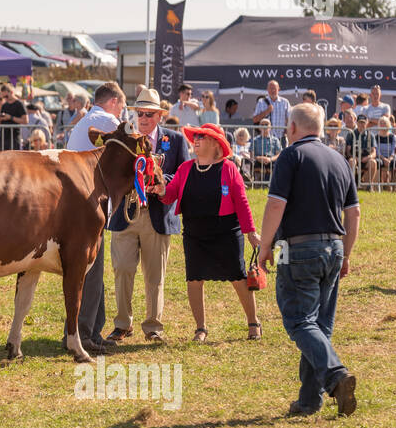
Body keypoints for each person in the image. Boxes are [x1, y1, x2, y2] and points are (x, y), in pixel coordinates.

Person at [259, 102, 360, 417]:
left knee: (300, 321)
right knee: (318, 326)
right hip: (334, 247)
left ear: (291, 128)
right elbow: (354, 213)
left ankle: (336, 375)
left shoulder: (290, 156)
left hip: (298, 249)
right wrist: (347, 252)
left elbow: (276, 206)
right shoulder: (339, 159)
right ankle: (309, 401)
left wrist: (264, 249)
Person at [150, 123, 262, 342]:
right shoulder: (185, 169)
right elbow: (169, 194)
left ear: (215, 143)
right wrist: (160, 189)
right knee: (194, 279)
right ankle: (200, 328)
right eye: (196, 137)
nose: (196, 140)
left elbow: (242, 202)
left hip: (227, 232)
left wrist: (251, 233)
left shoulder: (229, 168)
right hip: (194, 233)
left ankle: (253, 322)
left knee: (238, 278)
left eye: (202, 137)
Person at [105, 86, 189, 345]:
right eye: (139, 113)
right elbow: (107, 173)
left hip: (157, 214)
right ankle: (122, 324)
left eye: (149, 114)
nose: (143, 118)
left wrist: (163, 182)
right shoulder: (122, 138)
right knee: (122, 270)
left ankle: (153, 326)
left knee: (155, 275)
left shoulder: (174, 141)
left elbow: (183, 174)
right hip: (125, 214)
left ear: (160, 116)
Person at [66, 81, 127, 354]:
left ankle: (93, 328)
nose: (122, 114)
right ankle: (83, 333)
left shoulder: (84, 122)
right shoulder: (107, 119)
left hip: (80, 203)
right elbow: (129, 145)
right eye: (122, 107)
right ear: (113, 101)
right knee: (89, 273)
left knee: (94, 271)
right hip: (91, 205)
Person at [372, 117, 396, 189]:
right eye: (381, 123)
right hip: (380, 157)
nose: (383, 125)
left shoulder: (393, 137)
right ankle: (378, 186)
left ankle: (394, 185)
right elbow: (376, 150)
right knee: (378, 162)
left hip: (391, 157)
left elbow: (395, 149)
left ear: (388, 125)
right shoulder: (376, 137)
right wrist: (384, 159)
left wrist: (390, 158)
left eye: (385, 123)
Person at [249, 116, 282, 182]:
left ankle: (270, 183)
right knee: (254, 165)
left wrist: (270, 159)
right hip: (258, 159)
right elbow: (251, 154)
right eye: (262, 124)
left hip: (271, 159)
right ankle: (257, 183)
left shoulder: (275, 140)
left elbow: (278, 154)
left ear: (270, 127)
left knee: (275, 165)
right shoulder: (255, 140)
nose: (264, 126)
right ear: (259, 127)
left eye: (266, 124)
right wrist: (258, 158)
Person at [0, 82, 27, 151]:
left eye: (6, 96)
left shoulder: (19, 104)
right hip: (4, 137)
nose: (5, 98)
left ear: (12, 92)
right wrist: (0, 118)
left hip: (14, 137)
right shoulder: (4, 105)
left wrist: (10, 117)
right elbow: (0, 121)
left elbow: (25, 120)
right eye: (3, 97)